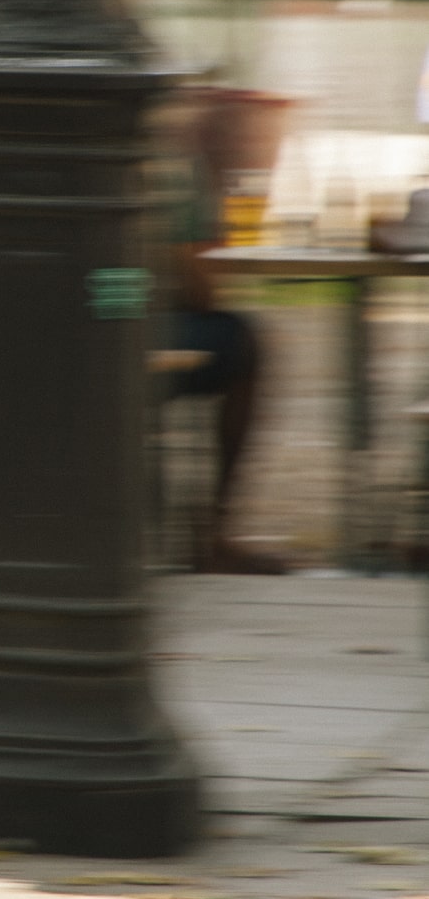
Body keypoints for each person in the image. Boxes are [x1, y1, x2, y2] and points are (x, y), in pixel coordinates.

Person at [160, 89, 281, 575]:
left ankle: (208, 532)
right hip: (142, 338)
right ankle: (214, 532)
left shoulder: (153, 158)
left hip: (100, 327)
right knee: (247, 344)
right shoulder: (184, 173)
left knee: (233, 335)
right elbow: (202, 291)